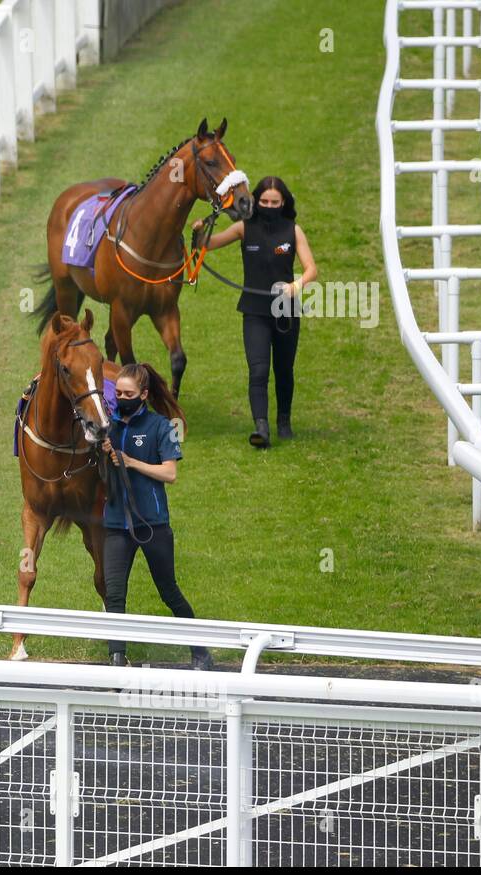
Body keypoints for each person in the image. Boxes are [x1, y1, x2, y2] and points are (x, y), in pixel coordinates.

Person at [100, 363, 211, 670]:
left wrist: (131, 462)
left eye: (128, 393)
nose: (121, 398)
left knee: (168, 591)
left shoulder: (160, 426)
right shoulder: (108, 426)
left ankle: (200, 651)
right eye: (118, 393)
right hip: (115, 525)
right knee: (115, 594)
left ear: (144, 395)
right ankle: (116, 658)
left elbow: (170, 473)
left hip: (153, 524)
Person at [193, 175, 318, 448]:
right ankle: (261, 427)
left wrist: (296, 285)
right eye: (264, 201)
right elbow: (208, 244)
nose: (269, 205)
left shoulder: (293, 231)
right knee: (258, 370)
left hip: (286, 311)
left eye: (275, 202)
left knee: (284, 369)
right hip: (254, 311)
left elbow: (311, 269)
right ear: (256, 200)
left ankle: (283, 420)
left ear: (283, 202)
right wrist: (200, 231)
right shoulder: (243, 228)